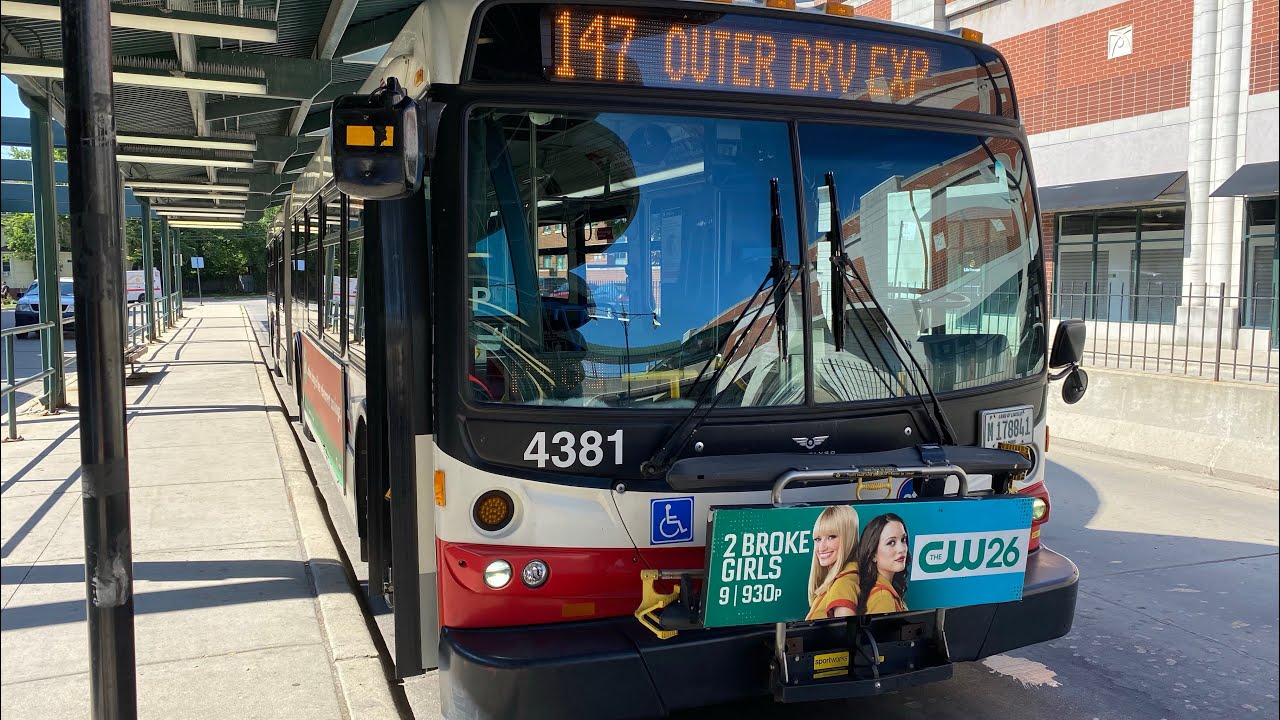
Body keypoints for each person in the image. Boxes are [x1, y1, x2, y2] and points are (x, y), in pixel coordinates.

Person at [805, 505, 860, 620]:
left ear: (848, 538)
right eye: (818, 539)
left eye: (831, 537)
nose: (821, 548)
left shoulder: (843, 584)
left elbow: (846, 634)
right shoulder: (845, 579)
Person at [854, 513, 910, 615]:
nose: (902, 549)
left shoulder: (886, 590)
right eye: (891, 543)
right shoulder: (882, 597)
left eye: (903, 540)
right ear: (872, 554)